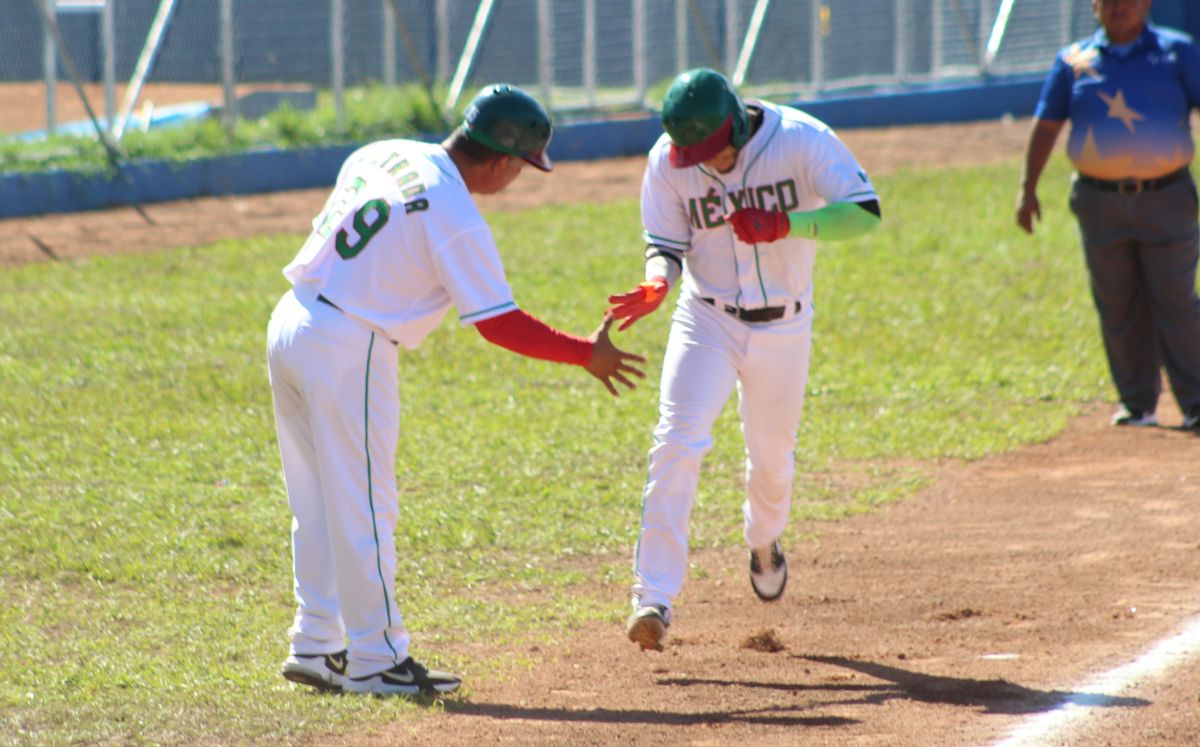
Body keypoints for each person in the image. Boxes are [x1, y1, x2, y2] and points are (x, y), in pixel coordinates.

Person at [267, 84, 646, 695]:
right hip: (348, 345)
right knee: (365, 505)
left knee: (314, 502)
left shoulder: (382, 151)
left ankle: (316, 644)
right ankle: (376, 659)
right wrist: (584, 353)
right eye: (522, 167)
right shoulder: (455, 214)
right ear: (500, 160)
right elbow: (498, 323)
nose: (519, 178)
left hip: (290, 320)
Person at [607, 68, 881, 651]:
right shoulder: (668, 160)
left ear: (736, 120)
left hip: (784, 324)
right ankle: (652, 596)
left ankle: (764, 540)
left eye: (713, 148)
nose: (708, 161)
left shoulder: (802, 139)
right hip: (706, 316)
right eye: (694, 152)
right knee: (677, 440)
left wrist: (788, 223)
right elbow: (665, 246)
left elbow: (863, 211)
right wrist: (657, 284)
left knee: (772, 460)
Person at [1016, 0, 1200, 431]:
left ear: (1147, 3)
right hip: (1099, 202)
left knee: (1176, 299)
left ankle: (1196, 400)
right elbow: (1046, 126)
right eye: (1109, 0)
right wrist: (1027, 190)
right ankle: (1138, 404)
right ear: (1094, 6)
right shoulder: (1074, 61)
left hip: (1166, 197)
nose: (1120, 7)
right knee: (1117, 303)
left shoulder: (1177, 52)